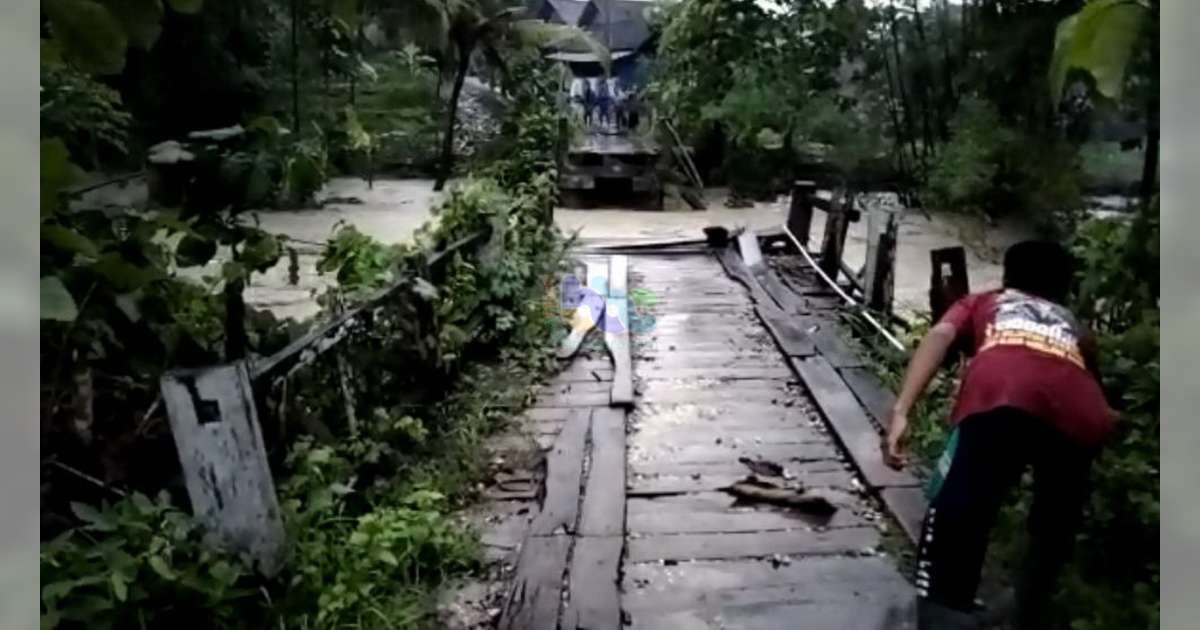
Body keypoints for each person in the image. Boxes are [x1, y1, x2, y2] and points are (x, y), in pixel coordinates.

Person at [882, 241, 1116, 630]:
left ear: (1007, 277)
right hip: (1083, 414)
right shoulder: (1072, 323)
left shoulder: (984, 301)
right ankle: (1028, 609)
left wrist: (901, 410)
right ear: (1065, 287)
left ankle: (945, 610)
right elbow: (1091, 387)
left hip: (1003, 394)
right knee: (1053, 529)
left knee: (957, 519)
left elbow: (940, 336)